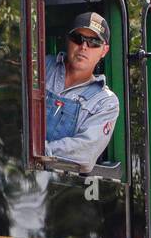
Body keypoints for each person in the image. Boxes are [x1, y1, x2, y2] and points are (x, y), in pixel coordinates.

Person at [44, 12, 120, 172]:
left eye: (94, 42)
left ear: (104, 50)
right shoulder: (41, 67)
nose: (84, 46)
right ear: (68, 40)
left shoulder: (105, 102)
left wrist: (36, 151)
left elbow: (84, 153)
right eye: (78, 39)